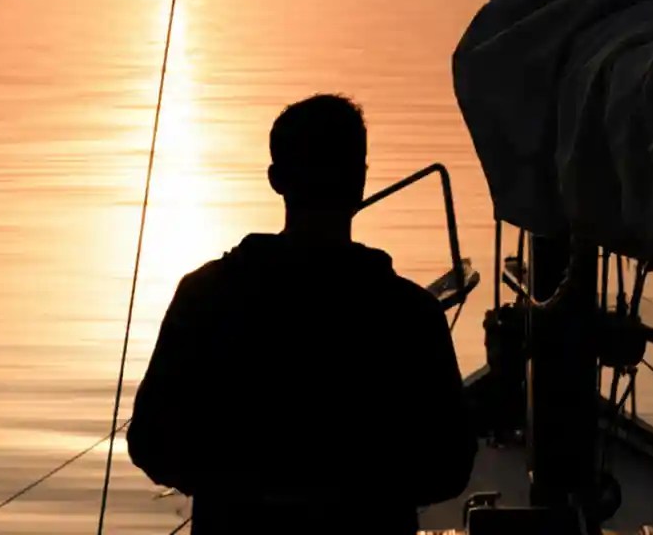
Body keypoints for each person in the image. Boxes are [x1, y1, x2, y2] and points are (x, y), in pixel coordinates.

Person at [127, 94, 476, 534]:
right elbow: (450, 466)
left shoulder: (204, 296)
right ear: (361, 180)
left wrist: (241, 485)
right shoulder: (410, 314)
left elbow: (150, 443)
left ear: (276, 180)